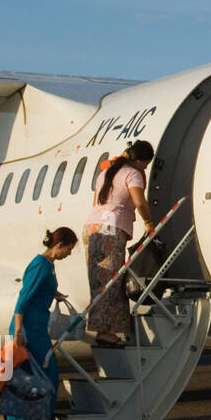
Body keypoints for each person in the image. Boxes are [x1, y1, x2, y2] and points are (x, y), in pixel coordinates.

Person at [0, 228, 78, 420]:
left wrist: (54, 294)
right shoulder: (40, 265)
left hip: (37, 328)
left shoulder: (48, 266)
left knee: (35, 378)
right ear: (59, 244)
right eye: (69, 250)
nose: (69, 254)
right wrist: (17, 332)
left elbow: (38, 290)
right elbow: (23, 300)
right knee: (41, 380)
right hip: (28, 331)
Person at [84, 140, 154, 347]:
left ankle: (102, 329)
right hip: (111, 229)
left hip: (92, 228)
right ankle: (104, 332)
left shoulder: (104, 173)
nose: (146, 168)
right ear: (139, 160)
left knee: (99, 281)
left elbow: (97, 202)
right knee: (111, 281)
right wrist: (149, 222)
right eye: (146, 164)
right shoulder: (132, 174)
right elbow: (139, 202)